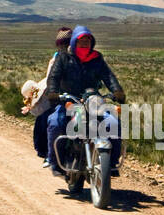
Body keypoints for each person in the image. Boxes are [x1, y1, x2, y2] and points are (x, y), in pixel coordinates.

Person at [44, 25, 127, 177]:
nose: (85, 44)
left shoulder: (97, 58)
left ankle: (111, 163)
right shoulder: (64, 57)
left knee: (113, 123)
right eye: (81, 41)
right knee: (56, 122)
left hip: (92, 100)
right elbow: (54, 77)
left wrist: (117, 91)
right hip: (68, 99)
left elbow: (108, 77)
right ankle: (55, 161)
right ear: (75, 41)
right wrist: (54, 94)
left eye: (88, 41)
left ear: (92, 42)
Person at [21, 27, 72, 164]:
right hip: (59, 97)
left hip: (74, 96)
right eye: (63, 44)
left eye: (67, 43)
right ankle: (50, 154)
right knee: (49, 120)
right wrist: (30, 104)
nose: (65, 47)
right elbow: (47, 82)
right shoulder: (55, 60)